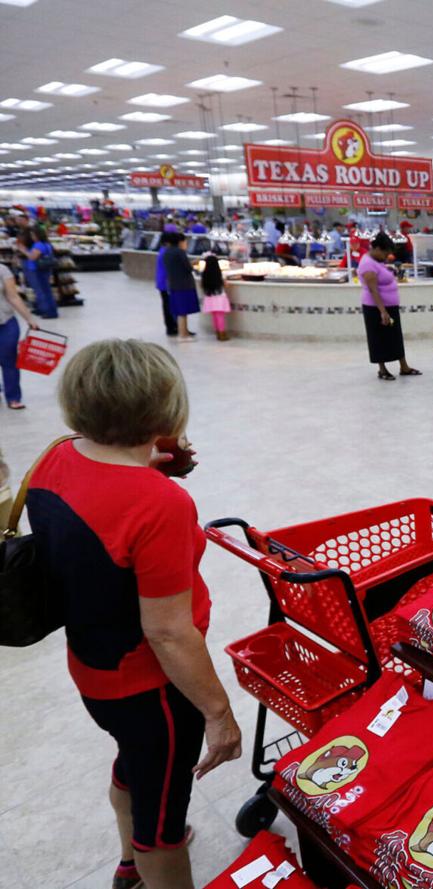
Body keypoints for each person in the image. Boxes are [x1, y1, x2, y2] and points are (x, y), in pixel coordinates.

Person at [28, 339, 242, 889]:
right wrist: (218, 714)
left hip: (94, 669)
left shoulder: (56, 455)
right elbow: (169, 632)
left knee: (135, 765)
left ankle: (127, 863)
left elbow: (102, 516)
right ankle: (147, 866)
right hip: (155, 691)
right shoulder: (159, 504)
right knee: (162, 828)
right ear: (165, 410)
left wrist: (148, 467)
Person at [359, 231, 421, 381]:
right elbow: (373, 290)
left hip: (389, 306)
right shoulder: (367, 264)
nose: (387, 256)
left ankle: (403, 366)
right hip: (376, 308)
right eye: (385, 252)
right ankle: (382, 369)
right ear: (378, 249)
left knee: (395, 337)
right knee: (379, 338)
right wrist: (383, 311)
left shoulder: (377, 261)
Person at [0, 261, 40, 409]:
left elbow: (13, 297)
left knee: (9, 360)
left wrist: (29, 319)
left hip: (6, 322)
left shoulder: (2, 270)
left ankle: (13, 397)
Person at [160, 232, 200, 340]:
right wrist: (195, 264)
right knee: (183, 311)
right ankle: (183, 335)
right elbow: (188, 268)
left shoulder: (166, 253)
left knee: (179, 310)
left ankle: (184, 331)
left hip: (173, 284)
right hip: (184, 285)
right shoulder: (179, 252)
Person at [16, 228, 58, 319]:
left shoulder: (38, 245)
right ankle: (48, 309)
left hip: (37, 270)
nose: (32, 237)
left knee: (41, 291)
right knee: (46, 290)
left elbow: (32, 257)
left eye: (33, 235)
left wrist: (23, 250)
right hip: (44, 269)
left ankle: (48, 311)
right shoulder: (47, 244)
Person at [199, 254, 230, 342]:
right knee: (220, 317)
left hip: (210, 298)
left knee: (215, 317)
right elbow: (226, 285)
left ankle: (217, 332)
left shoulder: (204, 275)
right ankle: (222, 334)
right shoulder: (219, 275)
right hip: (220, 298)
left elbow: (201, 285)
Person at [155, 238, 179, 338]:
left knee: (167, 305)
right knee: (169, 306)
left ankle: (173, 327)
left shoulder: (162, 251)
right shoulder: (166, 253)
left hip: (163, 283)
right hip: (166, 284)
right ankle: (171, 327)